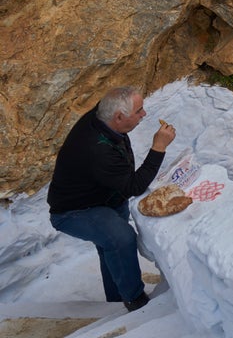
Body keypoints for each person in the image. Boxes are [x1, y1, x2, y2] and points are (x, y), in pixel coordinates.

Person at [47, 86, 176, 312]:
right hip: (75, 210)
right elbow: (133, 186)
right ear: (118, 117)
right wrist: (158, 147)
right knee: (121, 239)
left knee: (111, 246)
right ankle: (135, 301)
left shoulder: (103, 115)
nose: (144, 115)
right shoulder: (97, 149)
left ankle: (116, 300)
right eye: (139, 111)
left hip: (104, 195)